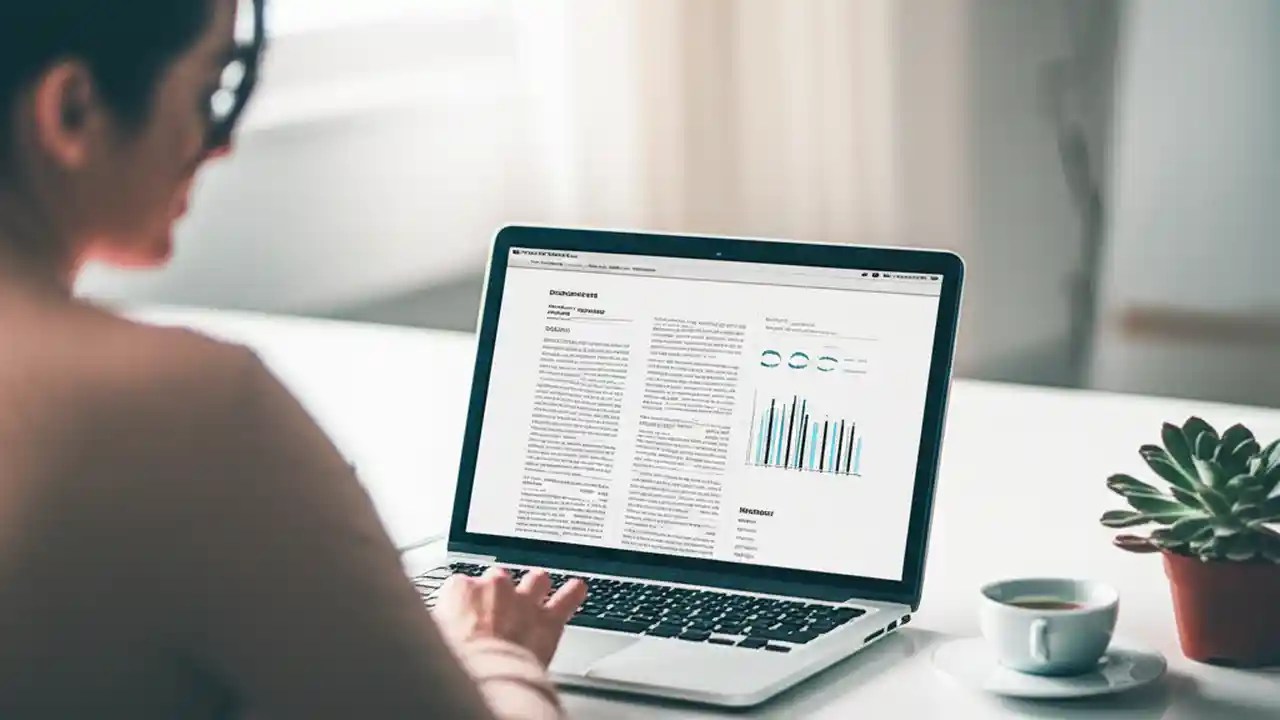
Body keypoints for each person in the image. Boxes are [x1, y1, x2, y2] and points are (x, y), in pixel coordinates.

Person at [0, 1, 587, 717]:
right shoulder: (187, 408)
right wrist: (498, 653)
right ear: (73, 111)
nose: (220, 147)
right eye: (210, 94)